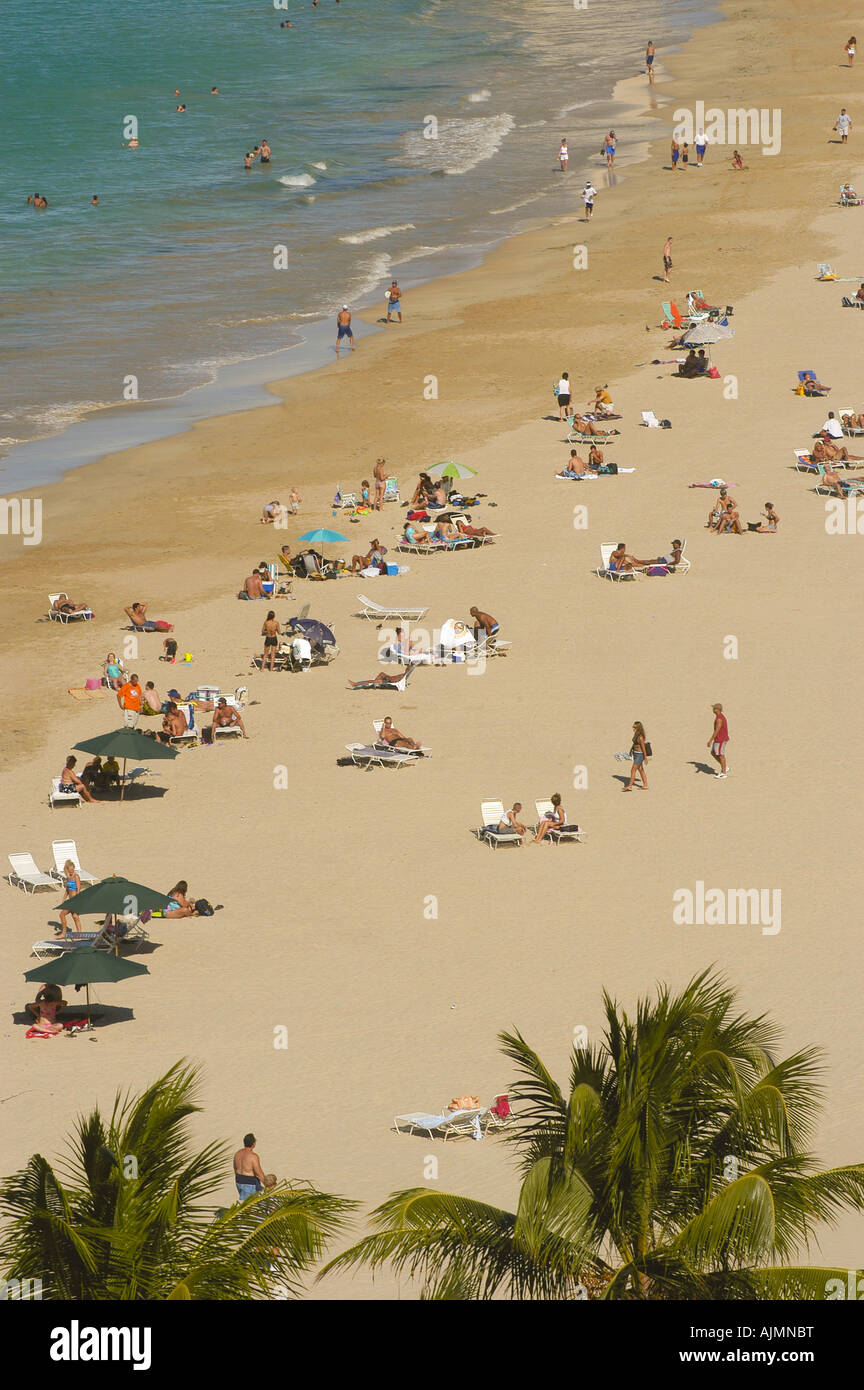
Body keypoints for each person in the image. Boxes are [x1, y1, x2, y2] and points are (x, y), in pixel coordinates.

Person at [234, 1134, 267, 1201]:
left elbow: (235, 1168)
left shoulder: (237, 1153)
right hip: (249, 1183)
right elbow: (258, 1173)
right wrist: (267, 1184)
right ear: (253, 1144)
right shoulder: (253, 1156)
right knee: (251, 1205)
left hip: (238, 1181)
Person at [58, 861, 83, 937]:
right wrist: (64, 899)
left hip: (74, 900)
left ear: (74, 868)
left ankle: (63, 933)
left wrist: (77, 900)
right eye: (70, 869)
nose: (71, 870)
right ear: (67, 869)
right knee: (75, 916)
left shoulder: (76, 877)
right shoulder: (68, 877)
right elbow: (67, 890)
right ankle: (79, 934)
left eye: (72, 869)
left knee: (62, 914)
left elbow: (78, 889)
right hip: (70, 900)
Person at [624, 722, 649, 791]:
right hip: (635, 754)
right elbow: (634, 744)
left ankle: (629, 786)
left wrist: (645, 757)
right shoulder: (636, 735)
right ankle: (645, 785)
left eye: (634, 727)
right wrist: (631, 751)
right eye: (633, 727)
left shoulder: (640, 737)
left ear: (638, 728)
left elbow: (643, 748)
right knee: (641, 769)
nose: (633, 728)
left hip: (640, 755)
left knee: (633, 770)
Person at [708, 704, 730, 777]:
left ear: (717, 709)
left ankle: (723, 773)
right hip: (718, 739)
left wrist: (710, 740)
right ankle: (724, 766)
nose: (713, 710)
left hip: (721, 739)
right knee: (713, 753)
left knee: (721, 755)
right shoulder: (719, 717)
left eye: (714, 708)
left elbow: (717, 730)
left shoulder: (719, 719)